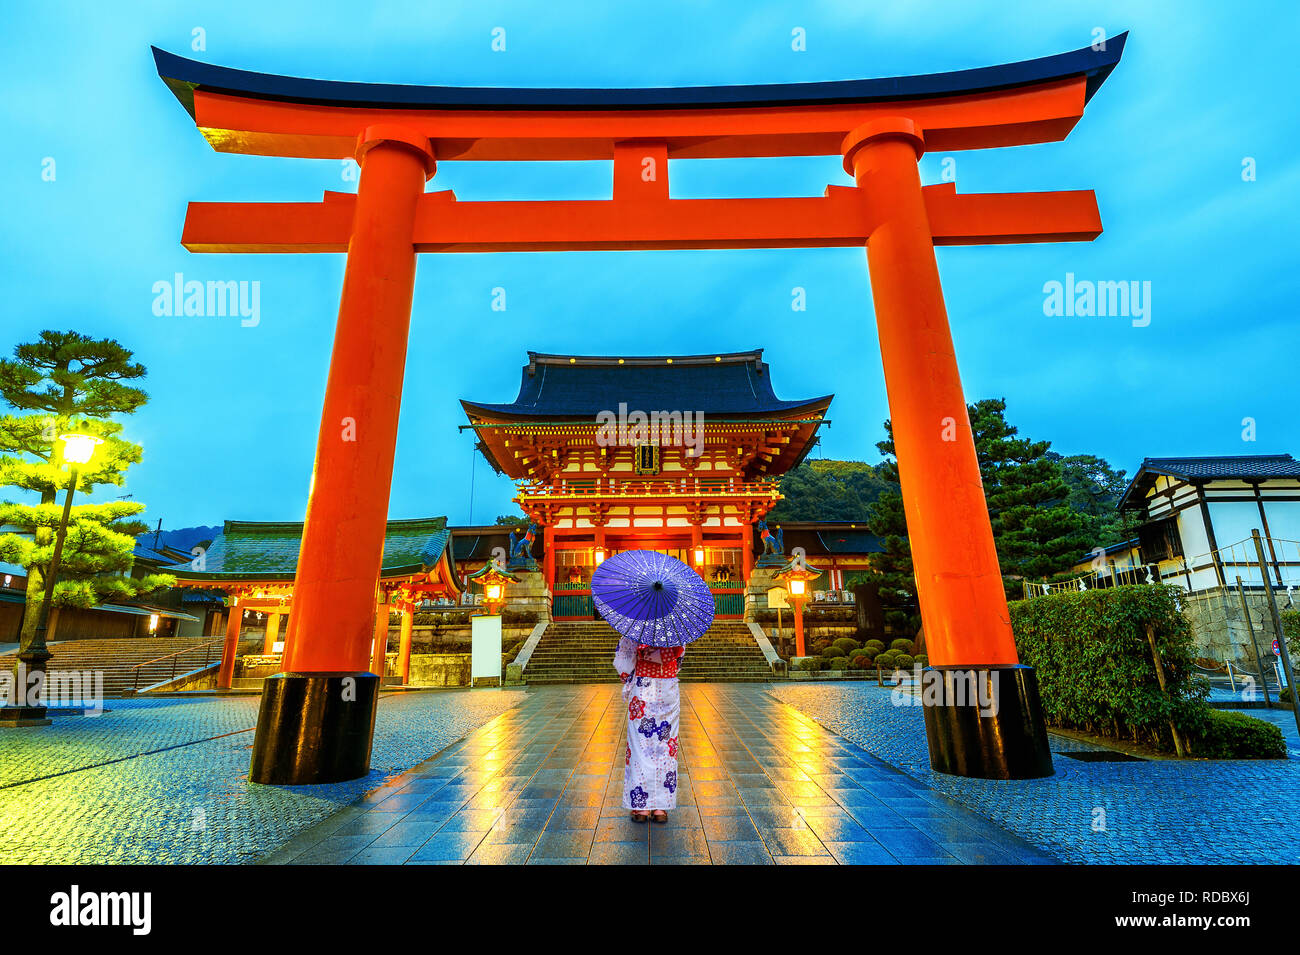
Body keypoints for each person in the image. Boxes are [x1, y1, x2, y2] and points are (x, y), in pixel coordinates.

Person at [613, 636, 684, 823]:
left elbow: (623, 662)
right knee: (666, 747)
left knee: (640, 747)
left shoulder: (638, 625)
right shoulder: (675, 626)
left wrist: (629, 677)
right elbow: (679, 659)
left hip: (644, 687)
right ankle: (661, 808)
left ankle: (641, 808)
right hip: (668, 686)